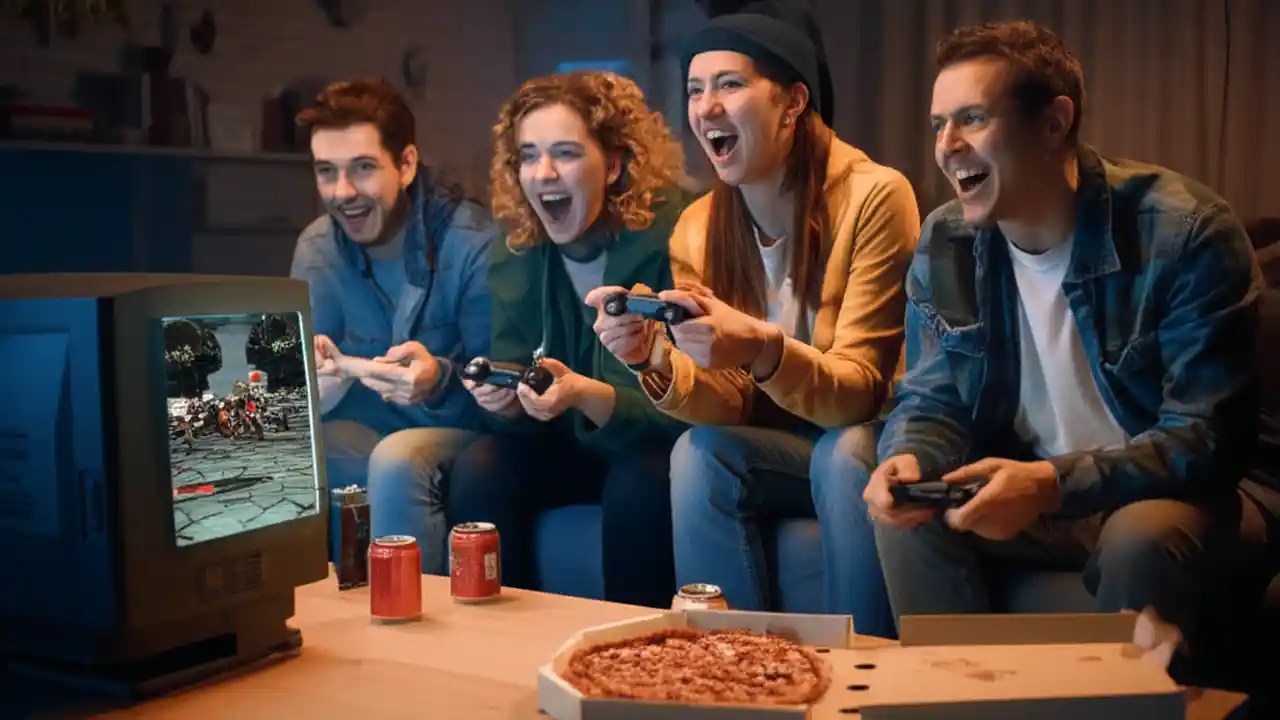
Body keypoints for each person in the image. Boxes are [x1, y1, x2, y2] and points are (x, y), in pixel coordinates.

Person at [862, 20, 1280, 649]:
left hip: (1194, 492)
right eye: (937, 124)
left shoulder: (1186, 232)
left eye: (972, 118)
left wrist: (1054, 485)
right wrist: (910, 458)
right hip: (1037, 483)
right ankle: (957, 701)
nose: (946, 145)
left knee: (1140, 538)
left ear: (1054, 122)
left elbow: (1206, 439)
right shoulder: (946, 241)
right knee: (907, 510)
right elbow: (932, 400)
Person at [590, 0, 919, 635]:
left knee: (842, 452)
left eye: (730, 84)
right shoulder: (699, 226)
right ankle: (730, 662)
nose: (705, 106)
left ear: (793, 102)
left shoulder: (876, 196)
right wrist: (652, 357)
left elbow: (862, 395)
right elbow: (728, 403)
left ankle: (869, 666)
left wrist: (762, 348)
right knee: (697, 451)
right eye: (693, 89)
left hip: (870, 434)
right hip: (779, 444)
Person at [445, 71, 690, 607]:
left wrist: (585, 394)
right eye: (528, 156)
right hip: (568, 443)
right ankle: (497, 642)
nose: (544, 173)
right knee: (481, 466)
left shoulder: (679, 236)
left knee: (637, 485)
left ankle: (635, 663)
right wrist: (504, 403)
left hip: (654, 443)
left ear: (616, 163)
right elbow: (513, 374)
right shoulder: (517, 250)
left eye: (566, 153)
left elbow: (691, 403)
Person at [291, 77, 497, 573]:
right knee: (280, 452)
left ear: (405, 165)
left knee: (397, 459)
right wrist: (316, 384)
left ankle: (413, 628)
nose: (342, 193)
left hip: (455, 429)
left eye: (362, 169)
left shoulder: (472, 243)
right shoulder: (316, 249)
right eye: (326, 172)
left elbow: (501, 396)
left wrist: (439, 381)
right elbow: (297, 398)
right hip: (364, 427)